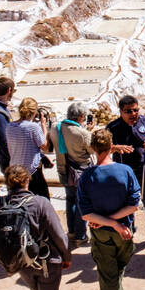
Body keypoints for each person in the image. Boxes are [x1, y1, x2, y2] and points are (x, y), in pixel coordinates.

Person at [78, 129, 141, 290]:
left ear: (93, 148)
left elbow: (86, 214)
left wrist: (107, 222)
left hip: (101, 233)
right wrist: (117, 222)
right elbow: (134, 205)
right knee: (114, 272)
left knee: (109, 274)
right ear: (111, 145)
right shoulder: (125, 171)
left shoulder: (87, 177)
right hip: (125, 231)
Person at [106, 95, 145, 247]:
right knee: (125, 204)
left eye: (136, 110)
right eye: (129, 111)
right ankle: (128, 230)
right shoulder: (113, 127)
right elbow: (103, 145)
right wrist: (115, 148)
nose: (133, 114)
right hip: (123, 173)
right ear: (121, 111)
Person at [52, 102, 94, 247]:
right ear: (82, 116)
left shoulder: (55, 128)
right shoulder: (81, 133)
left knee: (70, 201)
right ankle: (80, 235)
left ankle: (71, 232)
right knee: (81, 202)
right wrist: (89, 131)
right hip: (80, 172)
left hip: (63, 170)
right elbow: (91, 150)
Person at [5, 97, 50, 198]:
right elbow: (44, 146)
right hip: (31, 172)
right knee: (42, 201)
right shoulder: (33, 127)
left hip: (14, 171)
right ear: (34, 112)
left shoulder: (9, 127)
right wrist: (43, 126)